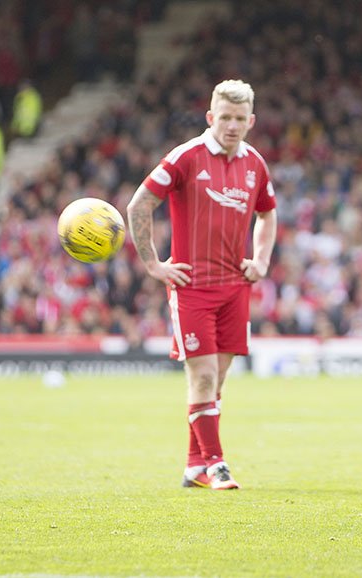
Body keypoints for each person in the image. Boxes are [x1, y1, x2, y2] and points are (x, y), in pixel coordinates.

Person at [127, 79, 277, 490]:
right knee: (205, 377)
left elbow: (267, 213)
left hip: (236, 286)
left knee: (216, 380)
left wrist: (262, 260)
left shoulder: (255, 164)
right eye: (225, 117)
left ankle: (195, 467)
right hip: (192, 287)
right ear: (211, 117)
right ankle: (216, 464)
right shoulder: (186, 157)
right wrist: (153, 264)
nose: (232, 125)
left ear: (251, 121)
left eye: (240, 119)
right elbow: (139, 204)